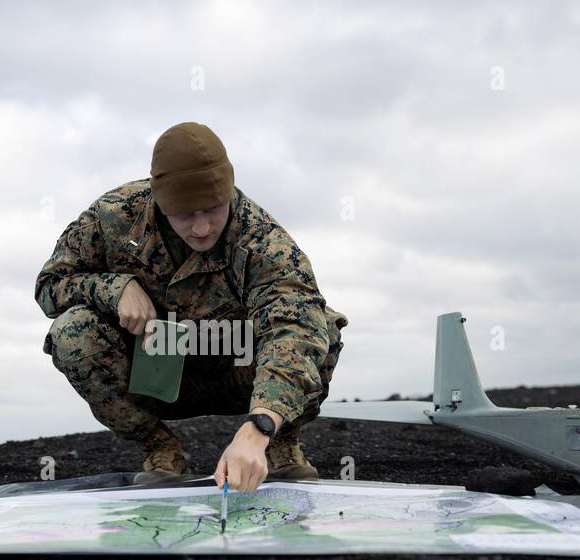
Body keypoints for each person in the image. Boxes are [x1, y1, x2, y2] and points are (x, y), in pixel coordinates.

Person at [35, 122, 347, 492]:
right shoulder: (114, 217)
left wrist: (261, 425)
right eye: (184, 214)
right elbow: (50, 287)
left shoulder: (262, 241)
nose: (201, 228)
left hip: (240, 369)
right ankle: (160, 449)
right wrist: (114, 287)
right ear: (159, 203)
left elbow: (294, 327)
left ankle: (280, 445)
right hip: (157, 374)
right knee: (73, 331)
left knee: (318, 325)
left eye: (213, 209)